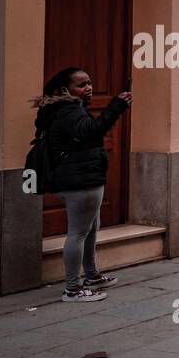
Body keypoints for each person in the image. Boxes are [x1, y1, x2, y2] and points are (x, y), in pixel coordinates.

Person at [34, 67, 131, 302]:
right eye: (81, 84)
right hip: (80, 180)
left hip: (79, 176)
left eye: (89, 82)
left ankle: (91, 275)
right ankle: (73, 289)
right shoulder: (69, 111)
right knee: (78, 233)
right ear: (66, 89)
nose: (88, 87)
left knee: (91, 226)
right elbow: (91, 132)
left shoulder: (67, 108)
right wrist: (115, 107)